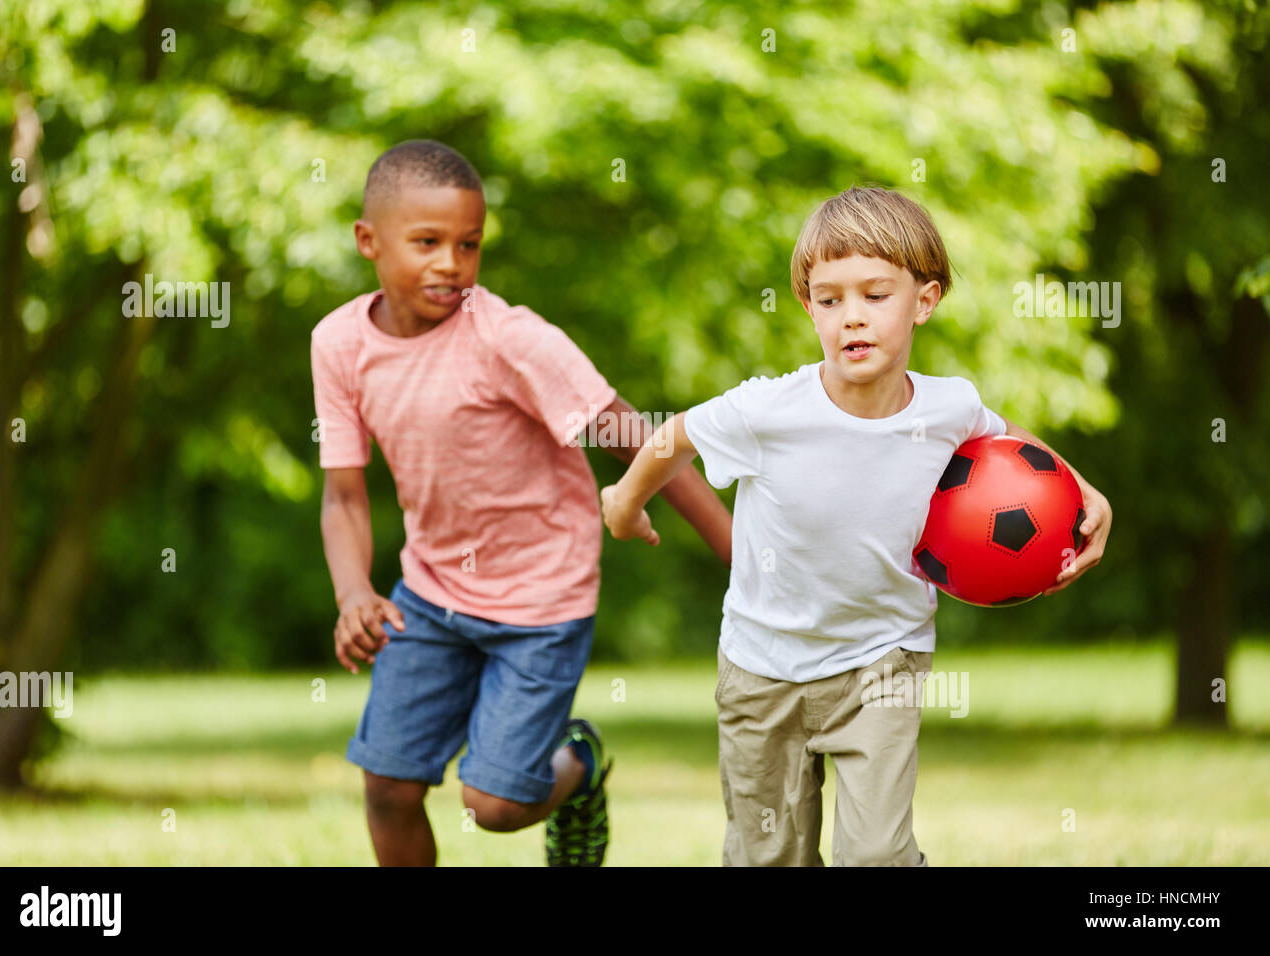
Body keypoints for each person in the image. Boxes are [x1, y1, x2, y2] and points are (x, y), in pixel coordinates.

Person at [601, 186, 1112, 866]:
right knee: (767, 856)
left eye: (876, 295)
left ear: (923, 302)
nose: (853, 318)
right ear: (809, 307)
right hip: (761, 667)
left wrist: (1084, 489)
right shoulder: (770, 410)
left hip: (884, 659)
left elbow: (1012, 443)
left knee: (876, 856)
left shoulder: (947, 406)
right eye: (830, 299)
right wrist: (625, 501)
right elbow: (677, 436)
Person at [311, 140, 732, 866]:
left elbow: (637, 437)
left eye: (468, 244)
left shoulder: (508, 339)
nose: (451, 262)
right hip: (432, 591)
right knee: (387, 784)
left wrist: (741, 551)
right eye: (427, 243)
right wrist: (353, 591)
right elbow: (344, 494)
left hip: (541, 597)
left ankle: (581, 763)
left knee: (497, 806)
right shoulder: (339, 343)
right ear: (367, 242)